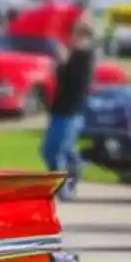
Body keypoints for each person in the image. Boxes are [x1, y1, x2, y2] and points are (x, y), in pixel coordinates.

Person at [42, 22, 96, 200]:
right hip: (60, 108)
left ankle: (65, 186)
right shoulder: (73, 56)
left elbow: (79, 84)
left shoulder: (86, 56)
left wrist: (65, 62)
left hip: (71, 110)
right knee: (52, 150)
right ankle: (76, 166)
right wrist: (60, 66)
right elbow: (62, 80)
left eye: (78, 37)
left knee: (56, 151)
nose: (73, 40)